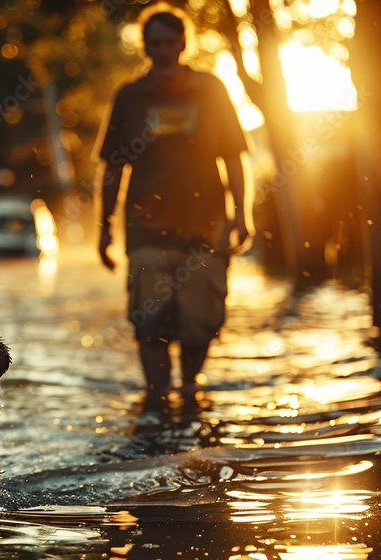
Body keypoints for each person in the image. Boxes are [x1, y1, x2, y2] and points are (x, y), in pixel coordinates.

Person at [94, 7, 251, 403]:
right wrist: (104, 228)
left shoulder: (212, 90)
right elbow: (112, 168)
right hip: (147, 232)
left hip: (205, 230)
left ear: (184, 43)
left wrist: (242, 215)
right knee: (150, 324)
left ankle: (189, 388)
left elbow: (233, 156)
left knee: (202, 323)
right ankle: (158, 397)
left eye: (170, 42)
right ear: (144, 46)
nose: (163, 50)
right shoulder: (129, 97)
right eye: (155, 43)